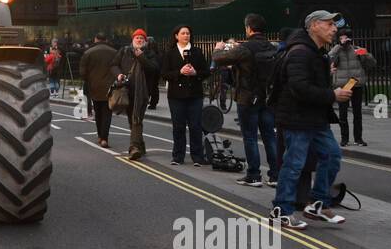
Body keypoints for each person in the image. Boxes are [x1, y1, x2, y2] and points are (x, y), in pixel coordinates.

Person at [269, 11, 354, 229]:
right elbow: (299, 88)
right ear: (314, 26)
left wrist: (330, 93)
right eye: (329, 24)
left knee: (332, 155)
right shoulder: (300, 52)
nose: (334, 29)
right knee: (294, 164)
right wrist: (332, 95)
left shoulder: (318, 53)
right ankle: (282, 210)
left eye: (334, 25)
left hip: (315, 118)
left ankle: (318, 203)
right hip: (296, 118)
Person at [212, 13, 280, 187]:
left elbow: (218, 59)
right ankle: (275, 175)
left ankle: (254, 175)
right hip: (267, 98)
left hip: (248, 98)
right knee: (269, 137)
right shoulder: (272, 47)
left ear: (249, 28)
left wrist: (218, 48)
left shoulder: (245, 48)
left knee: (250, 137)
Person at [159, 25, 209, 166]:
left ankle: (197, 156)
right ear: (176, 36)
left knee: (195, 126)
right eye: (183, 33)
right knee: (178, 126)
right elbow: (164, 74)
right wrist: (179, 72)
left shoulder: (197, 52)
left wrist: (195, 73)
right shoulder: (170, 53)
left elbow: (206, 71)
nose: (186, 36)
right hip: (176, 96)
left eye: (188, 33)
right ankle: (178, 156)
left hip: (195, 95)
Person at [116, 29, 161, 160]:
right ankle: (141, 145)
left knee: (136, 119)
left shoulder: (150, 54)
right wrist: (118, 74)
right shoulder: (124, 51)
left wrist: (141, 56)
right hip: (126, 90)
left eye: (142, 38)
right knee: (132, 119)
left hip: (143, 92)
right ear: (133, 40)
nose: (139, 40)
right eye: (137, 38)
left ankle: (134, 147)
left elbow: (154, 69)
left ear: (145, 41)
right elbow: (113, 65)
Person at [328, 28, 374, 146]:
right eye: (341, 37)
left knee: (357, 113)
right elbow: (328, 59)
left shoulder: (357, 50)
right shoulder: (336, 50)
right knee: (342, 113)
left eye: (346, 37)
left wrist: (366, 54)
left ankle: (358, 138)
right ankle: (344, 138)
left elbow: (371, 64)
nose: (344, 39)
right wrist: (338, 46)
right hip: (342, 86)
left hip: (356, 84)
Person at [79, 33, 119, 147]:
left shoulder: (88, 52)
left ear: (95, 39)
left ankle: (100, 136)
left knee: (98, 112)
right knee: (107, 113)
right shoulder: (114, 52)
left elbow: (82, 72)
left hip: (94, 86)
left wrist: (88, 79)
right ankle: (104, 138)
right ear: (106, 40)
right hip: (110, 87)